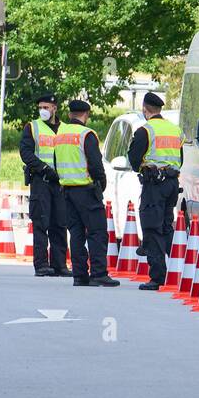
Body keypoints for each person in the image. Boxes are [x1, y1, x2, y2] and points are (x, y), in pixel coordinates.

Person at [55, 100, 119, 286]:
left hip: (66, 190)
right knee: (97, 232)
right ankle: (99, 273)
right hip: (86, 190)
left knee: (76, 234)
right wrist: (101, 184)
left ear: (69, 115)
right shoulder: (86, 134)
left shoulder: (60, 135)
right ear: (87, 114)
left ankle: (79, 275)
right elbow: (96, 165)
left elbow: (55, 161)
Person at [127, 92, 182, 291]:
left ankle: (157, 277)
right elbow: (180, 159)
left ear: (145, 109)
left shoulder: (145, 131)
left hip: (154, 185)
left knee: (152, 228)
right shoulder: (175, 131)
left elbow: (134, 161)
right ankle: (176, 271)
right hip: (172, 183)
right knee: (167, 226)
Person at [19, 93, 70, 276]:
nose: (43, 111)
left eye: (46, 107)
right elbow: (26, 153)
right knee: (41, 222)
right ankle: (41, 264)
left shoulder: (66, 128)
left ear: (55, 108)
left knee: (60, 223)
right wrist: (43, 168)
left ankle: (59, 265)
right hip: (42, 180)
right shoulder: (32, 127)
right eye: (40, 107)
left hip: (61, 182)